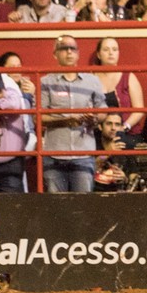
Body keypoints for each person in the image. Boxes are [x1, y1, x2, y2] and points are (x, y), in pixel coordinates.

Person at [40, 35, 106, 193]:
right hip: (54, 154)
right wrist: (66, 120)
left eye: (72, 48)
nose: (69, 52)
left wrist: (94, 118)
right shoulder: (45, 81)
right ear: (55, 54)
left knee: (83, 206)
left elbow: (103, 110)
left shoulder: (92, 81)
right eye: (64, 48)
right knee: (56, 206)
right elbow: (38, 117)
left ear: (78, 53)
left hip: (83, 154)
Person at [91, 37, 145, 135]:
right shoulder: (91, 78)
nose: (111, 53)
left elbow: (139, 110)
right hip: (98, 132)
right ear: (99, 54)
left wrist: (124, 127)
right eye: (106, 49)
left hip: (127, 132)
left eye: (114, 49)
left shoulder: (129, 77)